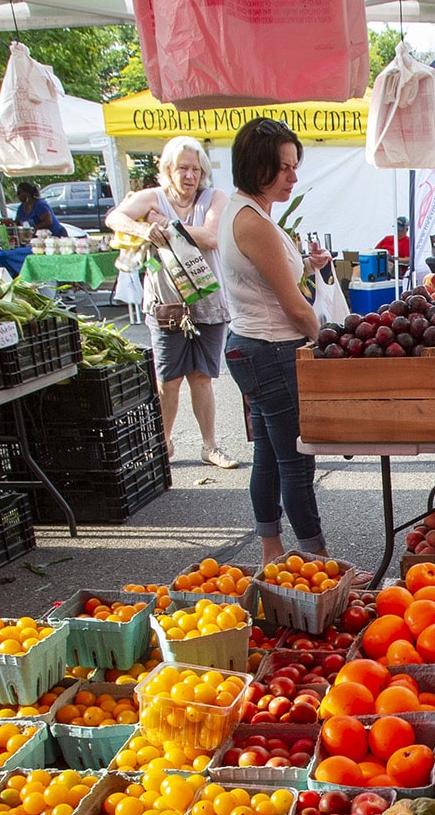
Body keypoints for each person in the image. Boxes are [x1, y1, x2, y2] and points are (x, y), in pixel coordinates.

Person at [216, 116, 331, 565]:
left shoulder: (241, 212)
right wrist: (329, 345)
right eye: (283, 167)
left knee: (268, 452)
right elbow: (294, 307)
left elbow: (266, 278)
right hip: (272, 349)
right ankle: (316, 559)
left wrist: (304, 262)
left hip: (250, 344)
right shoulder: (254, 222)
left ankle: (272, 549)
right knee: (295, 459)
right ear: (255, 165)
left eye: (294, 165)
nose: (293, 177)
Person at [107, 137, 241, 470]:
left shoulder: (214, 197)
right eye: (182, 168)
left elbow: (211, 237)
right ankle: (163, 444)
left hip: (208, 303)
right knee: (168, 379)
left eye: (196, 169)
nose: (189, 176)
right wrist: (141, 226)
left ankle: (209, 445)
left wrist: (164, 224)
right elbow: (115, 218)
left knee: (202, 377)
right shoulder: (153, 197)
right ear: (167, 168)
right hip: (166, 305)